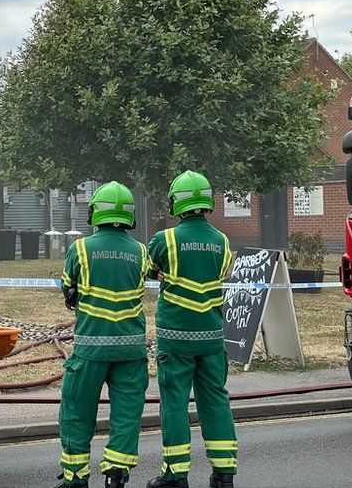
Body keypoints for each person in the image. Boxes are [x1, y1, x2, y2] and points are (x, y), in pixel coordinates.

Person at [146, 171, 237, 488]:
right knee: (215, 402)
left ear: (177, 203)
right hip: (211, 339)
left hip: (176, 340)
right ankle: (224, 474)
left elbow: (150, 267)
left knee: (174, 405)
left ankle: (175, 476)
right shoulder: (223, 242)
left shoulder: (165, 240)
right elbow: (222, 273)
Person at [57, 182, 149, 488]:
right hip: (130, 350)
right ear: (130, 216)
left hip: (90, 350)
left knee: (76, 411)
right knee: (126, 417)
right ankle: (115, 477)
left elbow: (68, 285)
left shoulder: (80, 249)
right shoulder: (140, 251)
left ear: (94, 212)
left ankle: (75, 478)